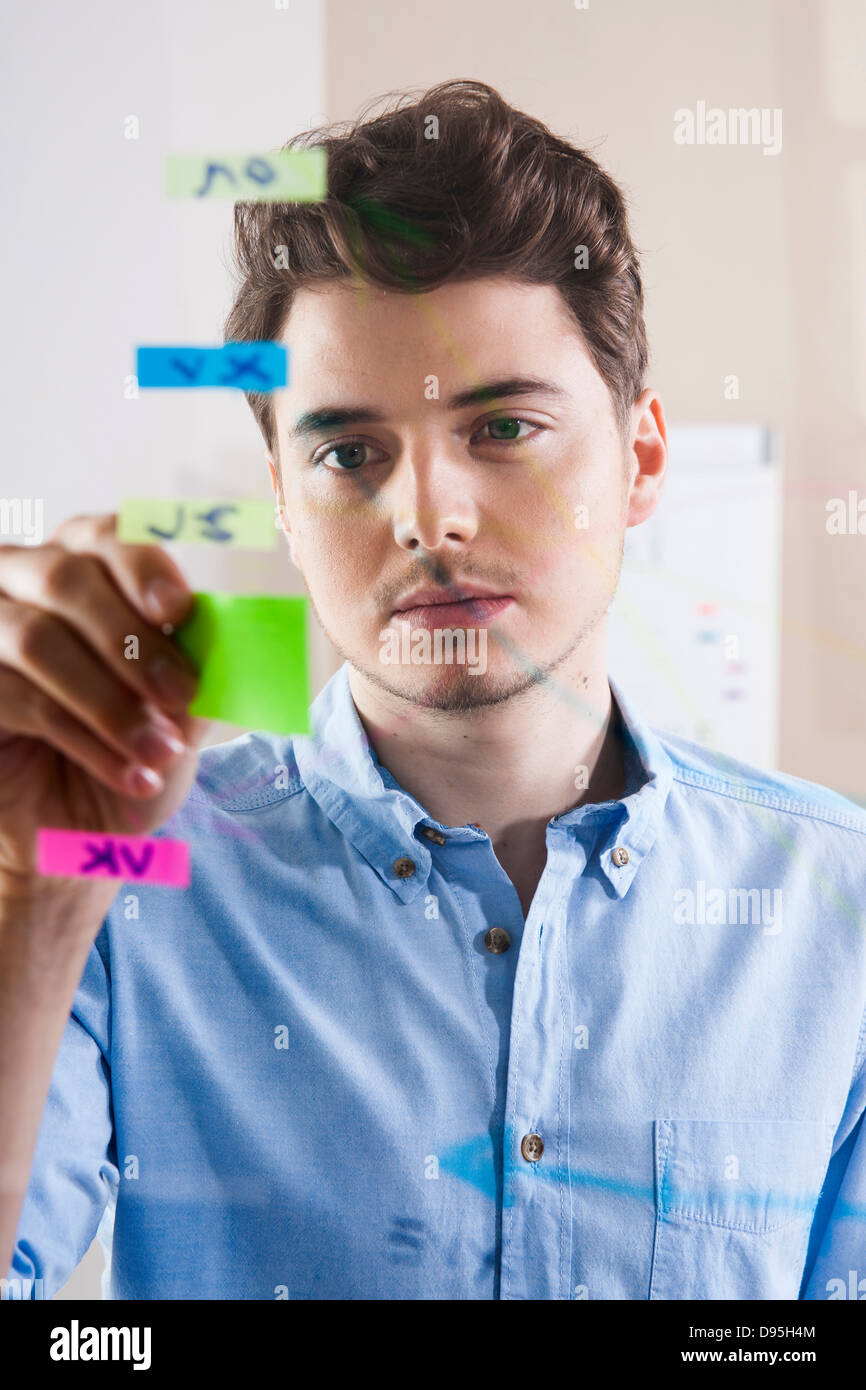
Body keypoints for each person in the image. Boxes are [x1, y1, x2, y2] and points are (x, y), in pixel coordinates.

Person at [2, 80, 864, 1302]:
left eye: (503, 428)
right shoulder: (119, 881)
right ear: (285, 505)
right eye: (348, 453)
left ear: (641, 460)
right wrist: (24, 899)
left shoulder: (840, 910)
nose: (426, 518)